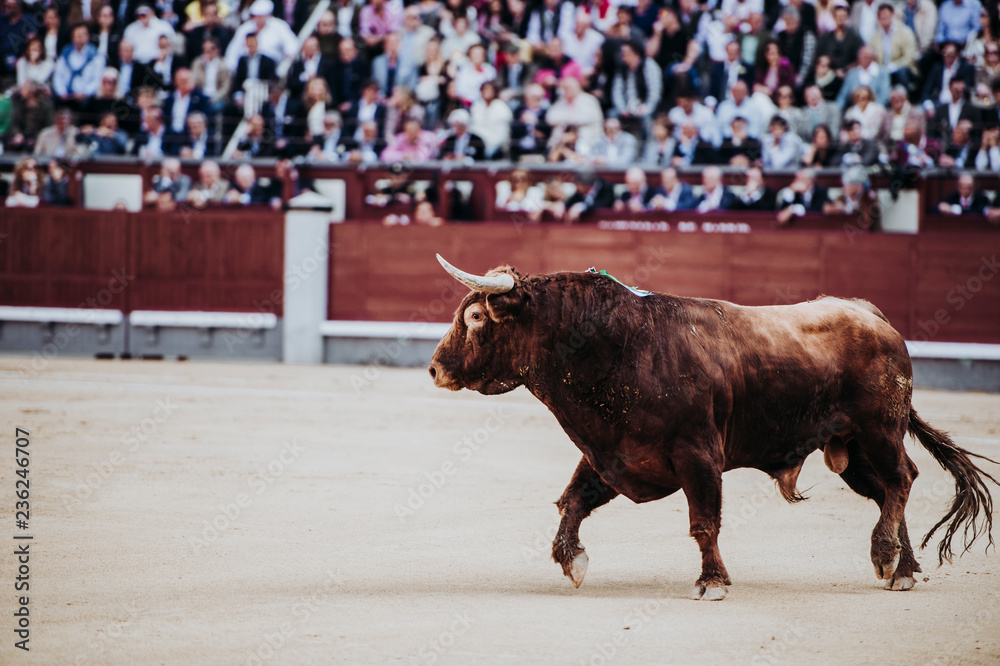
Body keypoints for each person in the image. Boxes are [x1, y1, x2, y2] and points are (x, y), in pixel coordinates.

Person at [225, 0, 298, 72]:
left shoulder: (279, 26)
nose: (259, 19)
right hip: (248, 66)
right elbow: (233, 49)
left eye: (262, 16)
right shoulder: (245, 28)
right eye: (257, 16)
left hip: (273, 68)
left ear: (269, 14)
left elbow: (292, 45)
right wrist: (233, 69)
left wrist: (288, 58)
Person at [611, 40, 662, 132]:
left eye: (625, 54)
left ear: (635, 54)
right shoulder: (622, 69)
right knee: (612, 116)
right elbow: (616, 92)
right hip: (627, 107)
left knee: (647, 119)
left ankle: (647, 145)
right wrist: (622, 108)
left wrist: (646, 107)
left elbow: (655, 91)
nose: (623, 57)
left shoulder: (648, 66)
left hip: (644, 106)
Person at [545, 76, 604, 153]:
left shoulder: (589, 100)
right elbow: (550, 118)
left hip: (586, 138)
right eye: (564, 88)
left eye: (568, 88)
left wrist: (565, 118)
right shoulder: (561, 101)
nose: (565, 91)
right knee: (555, 146)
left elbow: (585, 118)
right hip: (562, 139)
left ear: (577, 87)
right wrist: (569, 117)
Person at [868, 3, 917, 90]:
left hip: (901, 69)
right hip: (883, 71)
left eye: (886, 15)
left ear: (892, 15)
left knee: (901, 72)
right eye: (881, 17)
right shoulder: (874, 37)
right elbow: (873, 58)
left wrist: (894, 66)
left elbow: (909, 58)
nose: (884, 18)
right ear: (878, 18)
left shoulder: (905, 32)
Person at [53, 22, 105, 104]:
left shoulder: (96, 55)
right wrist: (62, 92)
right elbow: (58, 75)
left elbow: (97, 79)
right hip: (66, 97)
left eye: (83, 34)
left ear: (88, 36)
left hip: (88, 99)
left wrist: (85, 93)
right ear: (73, 37)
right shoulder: (66, 53)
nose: (80, 37)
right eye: (77, 34)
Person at [4, 80, 54, 153]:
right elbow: (15, 123)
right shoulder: (18, 103)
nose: (21, 90)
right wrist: (18, 134)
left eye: (24, 88)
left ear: (32, 92)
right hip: (22, 136)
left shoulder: (46, 106)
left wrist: (37, 138)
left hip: (39, 136)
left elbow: (48, 126)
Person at [469, 80, 512, 159]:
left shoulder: (501, 107)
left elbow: (502, 133)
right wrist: (480, 142)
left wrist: (488, 143)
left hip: (496, 144)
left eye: (489, 89)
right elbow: (473, 127)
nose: (486, 92)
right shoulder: (476, 106)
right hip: (479, 143)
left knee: (488, 153)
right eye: (484, 90)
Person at [510, 83, 551, 161]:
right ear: (527, 98)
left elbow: (545, 133)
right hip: (519, 149)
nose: (537, 100)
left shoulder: (545, 113)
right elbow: (514, 131)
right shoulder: (519, 111)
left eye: (539, 97)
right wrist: (524, 125)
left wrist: (535, 122)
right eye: (534, 97)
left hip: (539, 149)